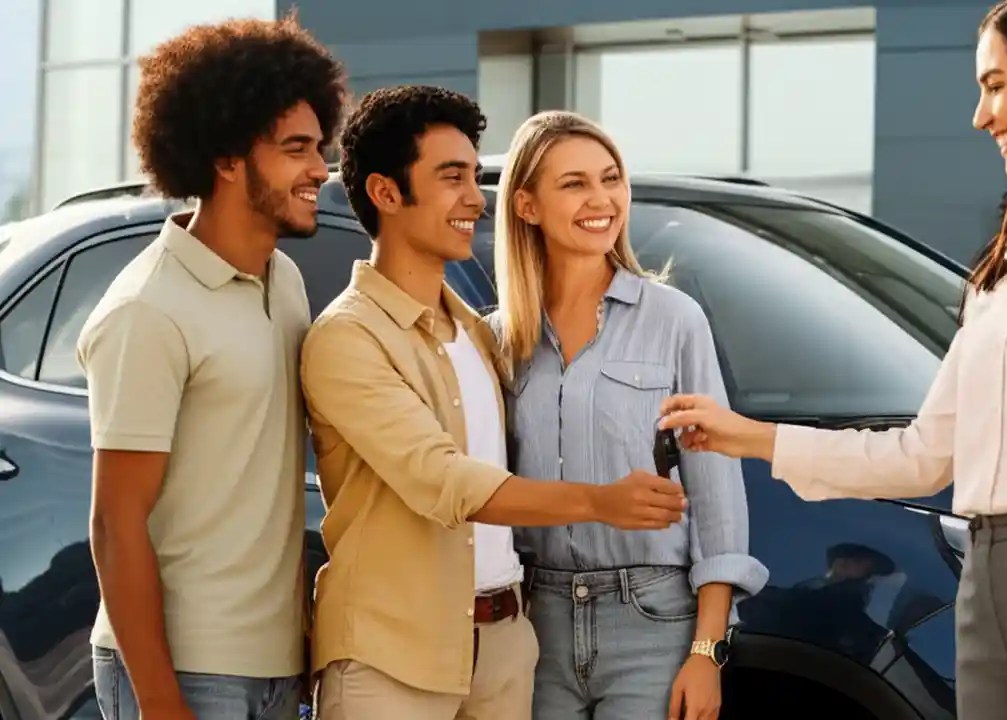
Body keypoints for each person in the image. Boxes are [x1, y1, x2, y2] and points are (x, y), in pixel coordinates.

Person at [657, 1, 1007, 719]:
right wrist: (750, 435)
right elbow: (924, 454)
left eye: (995, 85)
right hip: (984, 584)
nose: (980, 114)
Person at [299, 86, 687, 720]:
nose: (475, 200)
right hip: (392, 660)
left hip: (504, 649)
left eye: (473, 177)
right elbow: (443, 481)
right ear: (386, 193)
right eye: (450, 178)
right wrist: (597, 502)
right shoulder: (348, 337)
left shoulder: (482, 335)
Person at [76, 15, 346, 720]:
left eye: (320, 147)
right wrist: (161, 701)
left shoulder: (282, 280)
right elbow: (114, 523)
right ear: (227, 158)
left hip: (279, 664)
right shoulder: (148, 310)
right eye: (296, 149)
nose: (321, 168)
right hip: (187, 673)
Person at [490, 110, 768, 720]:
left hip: (654, 619)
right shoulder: (498, 342)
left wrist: (707, 652)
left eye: (611, 178)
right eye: (574, 184)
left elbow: (718, 501)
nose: (602, 199)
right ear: (527, 206)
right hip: (536, 625)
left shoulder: (674, 320)